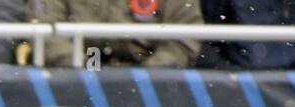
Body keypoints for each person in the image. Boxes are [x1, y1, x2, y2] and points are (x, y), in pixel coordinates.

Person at [36, 0, 202, 68]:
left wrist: (147, 73)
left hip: (151, 74)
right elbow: (45, 29)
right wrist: (86, 67)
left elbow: (185, 35)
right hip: (81, 69)